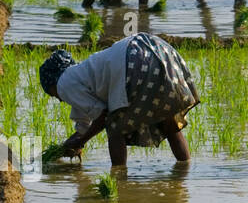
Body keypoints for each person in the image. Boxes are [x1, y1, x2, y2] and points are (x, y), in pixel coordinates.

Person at [38, 35, 200, 167]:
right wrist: (75, 141)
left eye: (52, 94)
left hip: (132, 60)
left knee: (115, 127)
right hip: (155, 48)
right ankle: (184, 171)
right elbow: (84, 124)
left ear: (53, 83)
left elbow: (102, 117)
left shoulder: (63, 84)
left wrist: (81, 141)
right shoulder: (80, 74)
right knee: (169, 123)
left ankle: (119, 181)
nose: (58, 99)